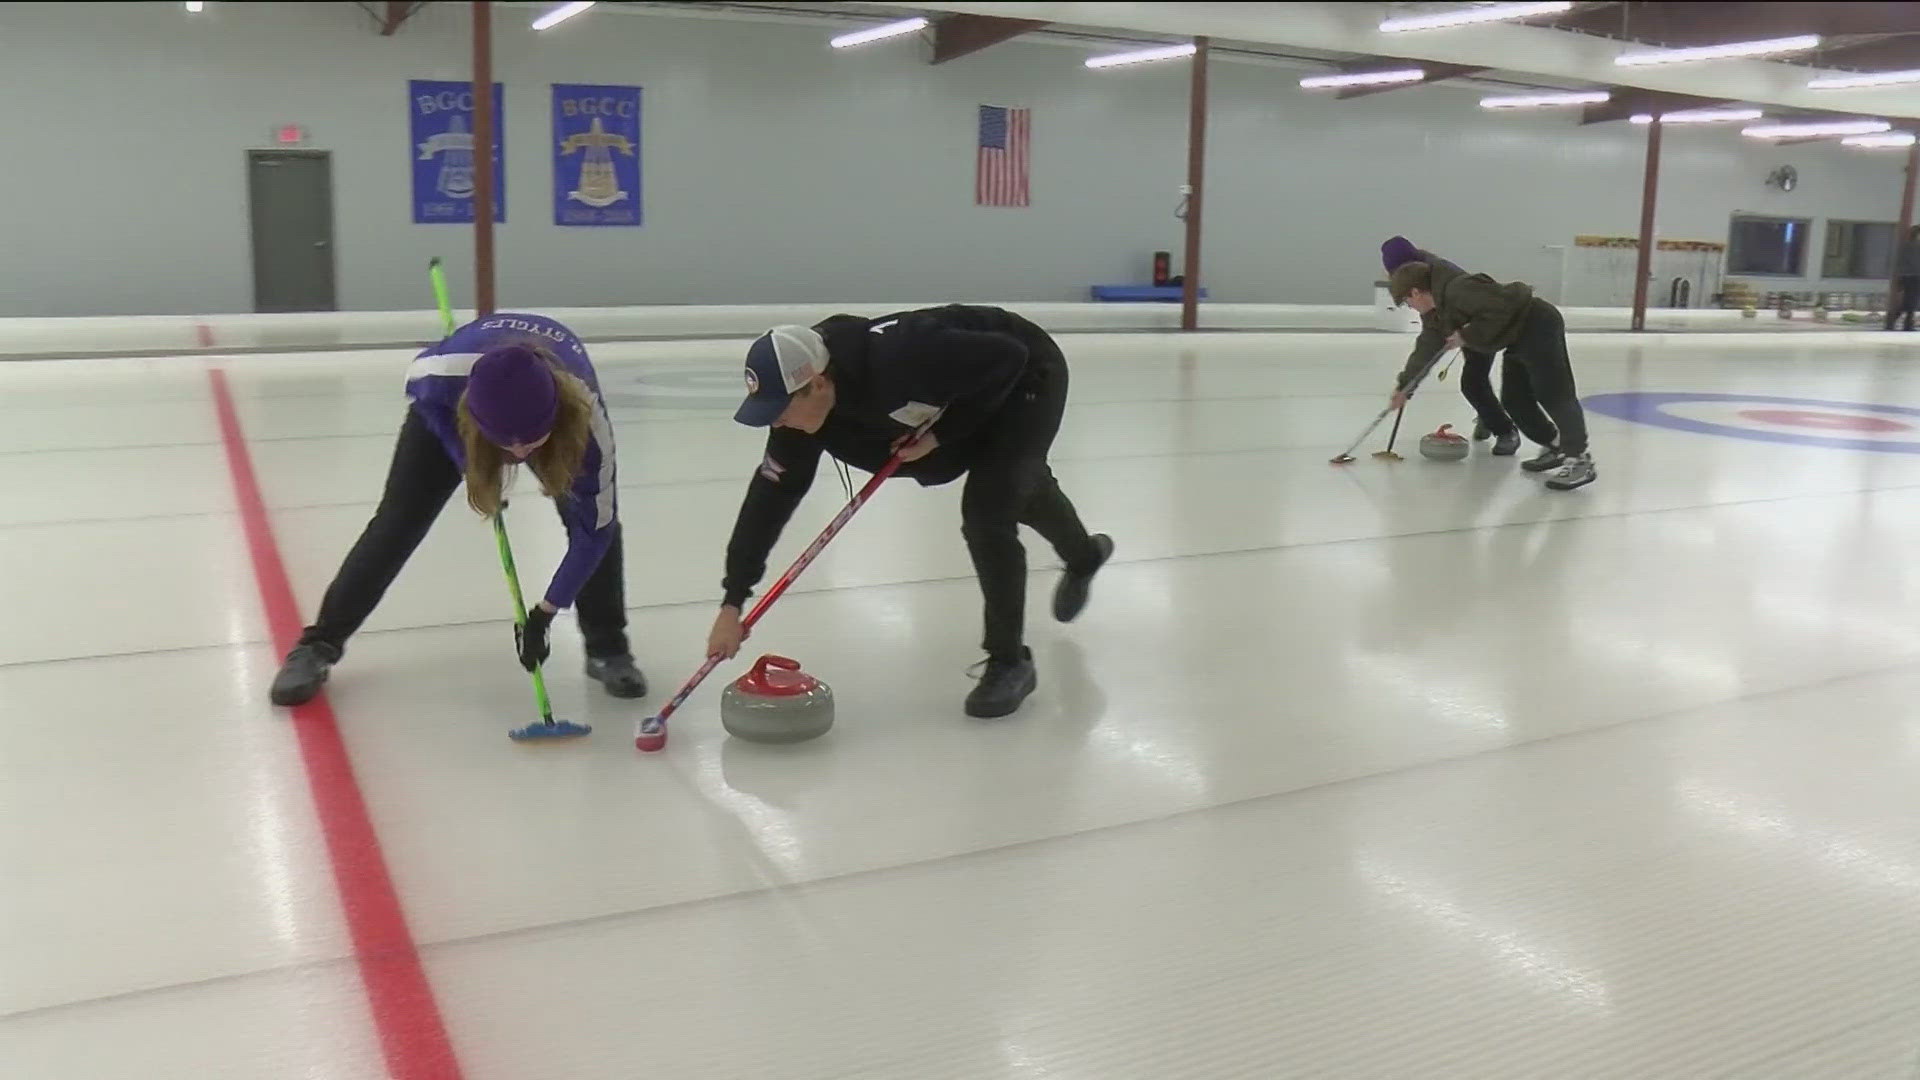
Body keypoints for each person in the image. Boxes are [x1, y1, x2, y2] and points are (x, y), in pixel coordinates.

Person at [709, 306, 1113, 719]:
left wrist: (941, 434)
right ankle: (1085, 556)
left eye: (781, 409)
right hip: (961, 396)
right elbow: (768, 500)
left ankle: (1009, 661)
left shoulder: (901, 358)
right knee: (1017, 486)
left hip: (1026, 374)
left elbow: (1008, 357)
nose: (777, 424)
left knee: (988, 512)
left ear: (818, 383)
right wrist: (732, 602)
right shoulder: (797, 420)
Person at [268, 313, 646, 706]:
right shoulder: (440, 376)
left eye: (531, 443)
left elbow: (595, 532)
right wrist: (469, 464)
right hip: (453, 411)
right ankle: (317, 646)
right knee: (397, 523)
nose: (518, 455)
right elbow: (423, 399)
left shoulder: (586, 422)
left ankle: (608, 648)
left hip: (546, 419)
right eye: (505, 445)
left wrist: (545, 612)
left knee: (594, 521)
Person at [1388, 260, 1596, 491]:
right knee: (1514, 400)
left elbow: (1502, 308)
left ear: (1416, 292)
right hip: (1515, 337)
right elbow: (1426, 347)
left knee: (1553, 393)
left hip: (1537, 323)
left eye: (1407, 302)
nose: (1411, 307)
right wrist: (1405, 386)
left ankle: (1579, 460)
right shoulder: (1435, 313)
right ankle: (1556, 445)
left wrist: (1466, 335)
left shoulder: (1459, 288)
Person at [1380, 236, 1519, 455]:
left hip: (1483, 326)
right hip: (1463, 327)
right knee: (1476, 380)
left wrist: (1467, 334)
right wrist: (1406, 385)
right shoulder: (1424, 284)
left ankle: (1506, 431)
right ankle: (1488, 415)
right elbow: (1429, 341)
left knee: (1473, 382)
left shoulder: (1446, 280)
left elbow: (1487, 311)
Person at [1886, 224, 1920, 332]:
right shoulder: (1916, 247)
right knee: (1911, 301)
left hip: (1905, 275)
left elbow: (1899, 262)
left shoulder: (1904, 246)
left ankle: (1900, 321)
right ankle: (1903, 322)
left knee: (1909, 300)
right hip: (1915, 275)